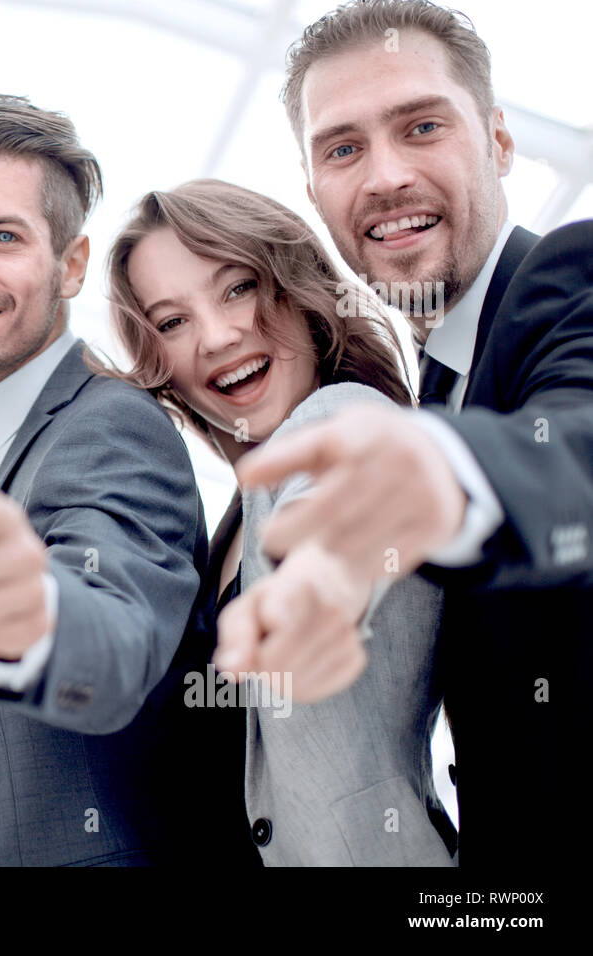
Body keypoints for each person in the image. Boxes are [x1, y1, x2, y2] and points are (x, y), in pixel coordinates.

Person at [221, 0, 593, 865]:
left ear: (499, 142)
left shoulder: (572, 276)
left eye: (421, 126)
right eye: (343, 149)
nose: (384, 177)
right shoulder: (428, 392)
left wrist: (447, 476)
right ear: (316, 190)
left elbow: (576, 443)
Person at [0, 92, 224, 866]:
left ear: (70, 266)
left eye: (1, 235)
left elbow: (118, 631)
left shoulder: (109, 427)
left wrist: (32, 617)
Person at [105, 179, 456, 865]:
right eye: (172, 322)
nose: (218, 335)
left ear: (296, 288)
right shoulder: (226, 528)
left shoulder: (347, 417)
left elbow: (345, 509)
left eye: (237, 288)